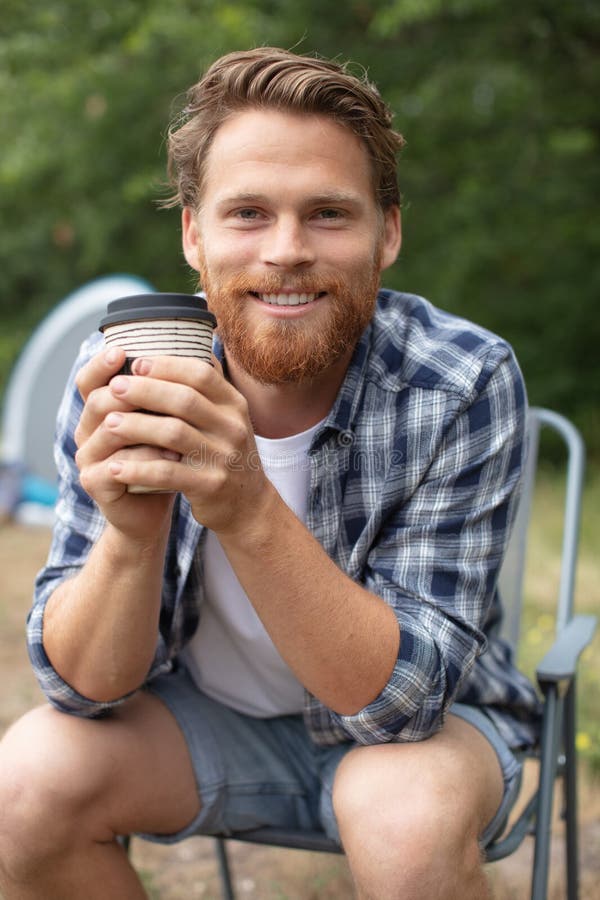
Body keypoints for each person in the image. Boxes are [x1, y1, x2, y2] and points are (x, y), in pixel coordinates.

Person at [0, 47, 541, 899]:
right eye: (247, 213)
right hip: (211, 722)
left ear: (387, 231)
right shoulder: (124, 373)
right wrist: (131, 537)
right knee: (24, 785)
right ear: (193, 233)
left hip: (424, 737)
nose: (285, 250)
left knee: (400, 819)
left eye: (328, 213)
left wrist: (246, 505)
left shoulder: (460, 380)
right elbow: (83, 690)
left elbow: (403, 707)